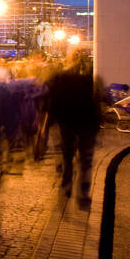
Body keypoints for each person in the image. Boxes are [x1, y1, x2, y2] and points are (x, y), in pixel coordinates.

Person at [45, 54, 106, 205]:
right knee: (86, 159)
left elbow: (52, 102)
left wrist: (48, 123)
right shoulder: (92, 80)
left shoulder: (59, 79)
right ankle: (84, 192)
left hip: (67, 123)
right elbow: (99, 101)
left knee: (67, 155)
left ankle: (66, 184)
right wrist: (99, 122)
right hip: (87, 122)